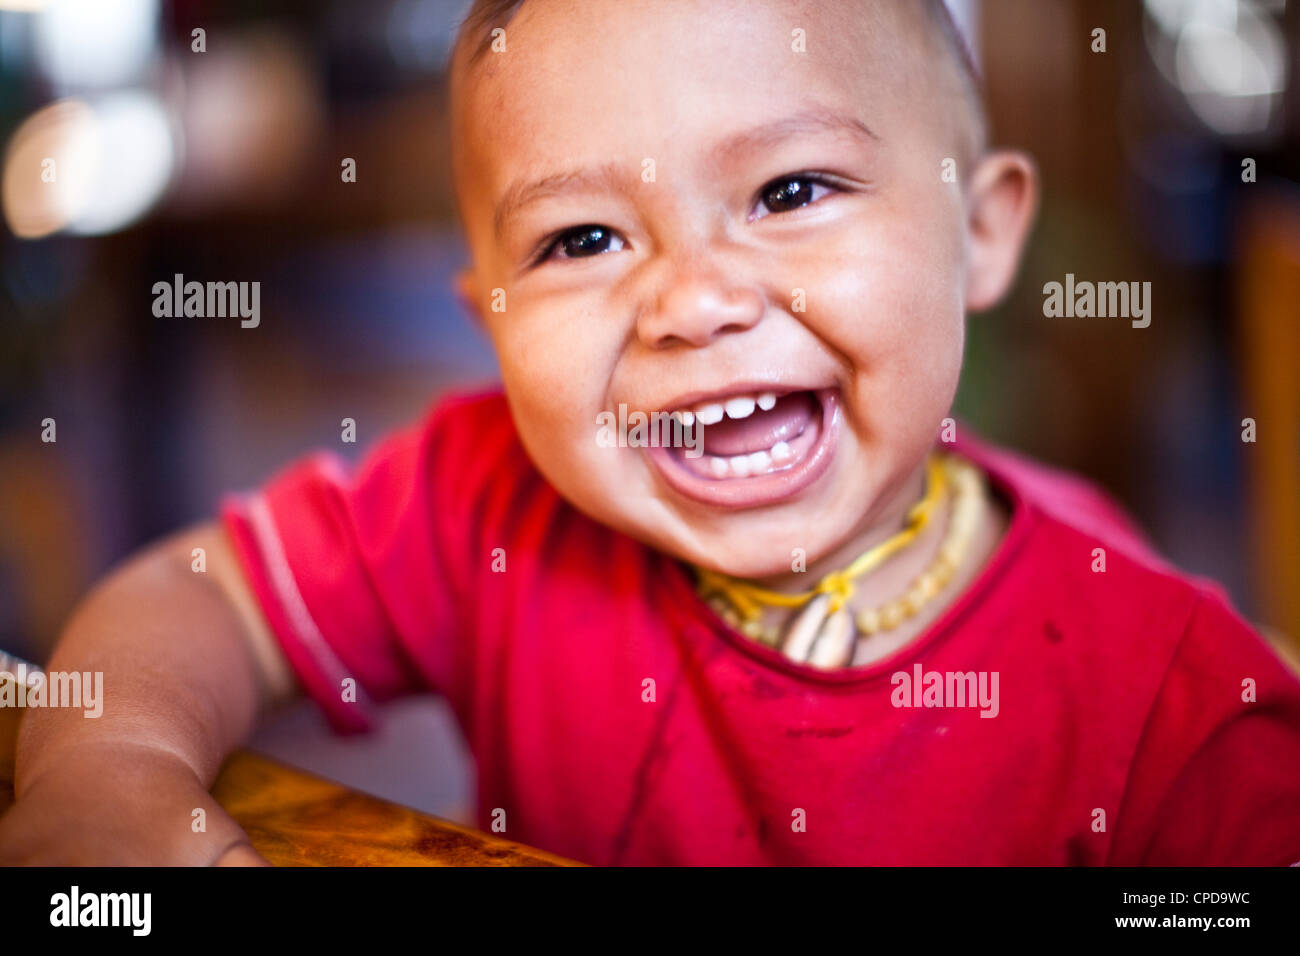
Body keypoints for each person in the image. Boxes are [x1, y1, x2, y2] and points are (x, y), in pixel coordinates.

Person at [4, 0, 1298, 865]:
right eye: (581, 240)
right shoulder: (480, 502)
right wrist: (109, 759)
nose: (691, 299)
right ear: (489, 317)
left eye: (791, 191)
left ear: (982, 233)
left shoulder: (1173, 711)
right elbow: (206, 597)